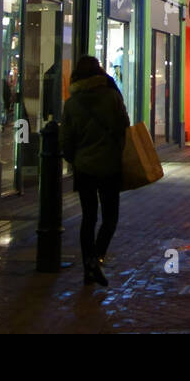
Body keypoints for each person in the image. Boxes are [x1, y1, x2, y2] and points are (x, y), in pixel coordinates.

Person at [62, 56, 129, 286]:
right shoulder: (111, 96)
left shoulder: (71, 104)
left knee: (88, 218)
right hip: (109, 166)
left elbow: (66, 141)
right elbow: (124, 125)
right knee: (110, 217)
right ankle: (95, 258)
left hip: (85, 169)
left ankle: (88, 264)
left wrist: (77, 160)